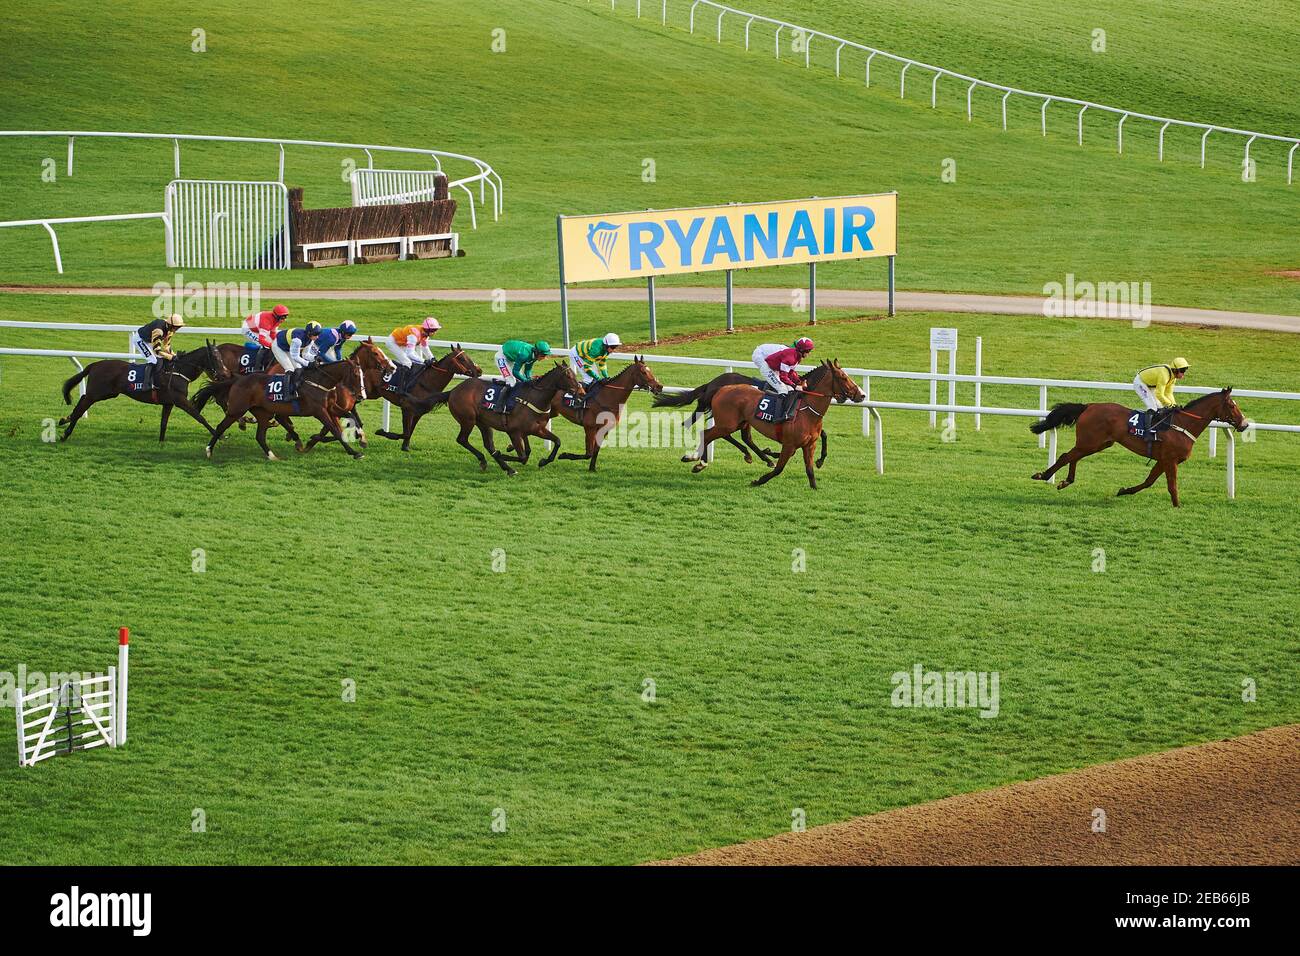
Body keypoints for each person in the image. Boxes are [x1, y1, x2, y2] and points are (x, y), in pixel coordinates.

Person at [751, 337, 814, 419]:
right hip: (765, 363)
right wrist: (795, 386)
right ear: (802, 350)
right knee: (782, 389)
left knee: (790, 390)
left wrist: (799, 381)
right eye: (808, 351)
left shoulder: (796, 357)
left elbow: (790, 373)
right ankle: (776, 416)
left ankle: (788, 412)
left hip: (773, 364)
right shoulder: (790, 358)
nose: (809, 353)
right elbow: (783, 377)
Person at [385, 317, 441, 396]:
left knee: (417, 363)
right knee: (407, 363)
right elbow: (410, 354)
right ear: (429, 330)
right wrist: (424, 361)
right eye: (434, 330)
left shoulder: (425, 334)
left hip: (403, 343)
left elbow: (425, 347)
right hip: (393, 342)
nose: (435, 332)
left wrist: (432, 358)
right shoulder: (414, 335)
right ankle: (400, 388)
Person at [490, 339, 551, 411]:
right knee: (511, 381)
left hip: (512, 358)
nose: (544, 358)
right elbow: (515, 372)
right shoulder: (524, 355)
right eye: (543, 355)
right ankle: (499, 406)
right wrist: (526, 381)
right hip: (501, 357)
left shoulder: (534, 356)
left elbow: (527, 371)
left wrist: (529, 380)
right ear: (537, 352)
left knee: (520, 380)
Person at [271, 322, 322, 400]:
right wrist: (308, 364)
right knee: (290, 369)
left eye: (318, 334)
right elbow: (295, 356)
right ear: (309, 333)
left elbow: (305, 355)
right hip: (278, 346)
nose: (317, 337)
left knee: (299, 369)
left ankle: (295, 389)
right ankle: (286, 394)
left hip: (288, 348)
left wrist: (315, 358)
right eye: (315, 334)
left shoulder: (310, 340)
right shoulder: (297, 340)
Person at [1134, 357, 1190, 424]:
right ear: (1175, 370)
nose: (1184, 373)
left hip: (1150, 385)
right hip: (1140, 383)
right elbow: (1159, 394)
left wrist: (1174, 405)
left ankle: (1155, 427)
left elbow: (1168, 393)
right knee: (1152, 407)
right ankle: (1147, 431)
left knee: (1160, 407)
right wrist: (1170, 405)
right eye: (1182, 370)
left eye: (1185, 370)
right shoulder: (1164, 375)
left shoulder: (1172, 378)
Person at [569, 333, 622, 398]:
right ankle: (575, 397)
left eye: (615, 347)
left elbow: (602, 364)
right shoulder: (596, 351)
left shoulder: (606, 350)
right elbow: (587, 368)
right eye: (613, 347)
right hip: (576, 354)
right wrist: (598, 379)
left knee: (594, 375)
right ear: (606, 345)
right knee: (588, 378)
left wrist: (606, 377)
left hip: (586, 355)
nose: (613, 350)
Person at [243, 304, 290, 372]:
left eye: (285, 317)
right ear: (276, 316)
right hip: (248, 329)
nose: (284, 319)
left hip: (257, 328)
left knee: (273, 343)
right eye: (282, 317)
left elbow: (272, 333)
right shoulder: (266, 321)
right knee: (264, 346)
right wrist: (273, 346)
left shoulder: (277, 320)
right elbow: (261, 340)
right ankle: (257, 369)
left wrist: (278, 342)